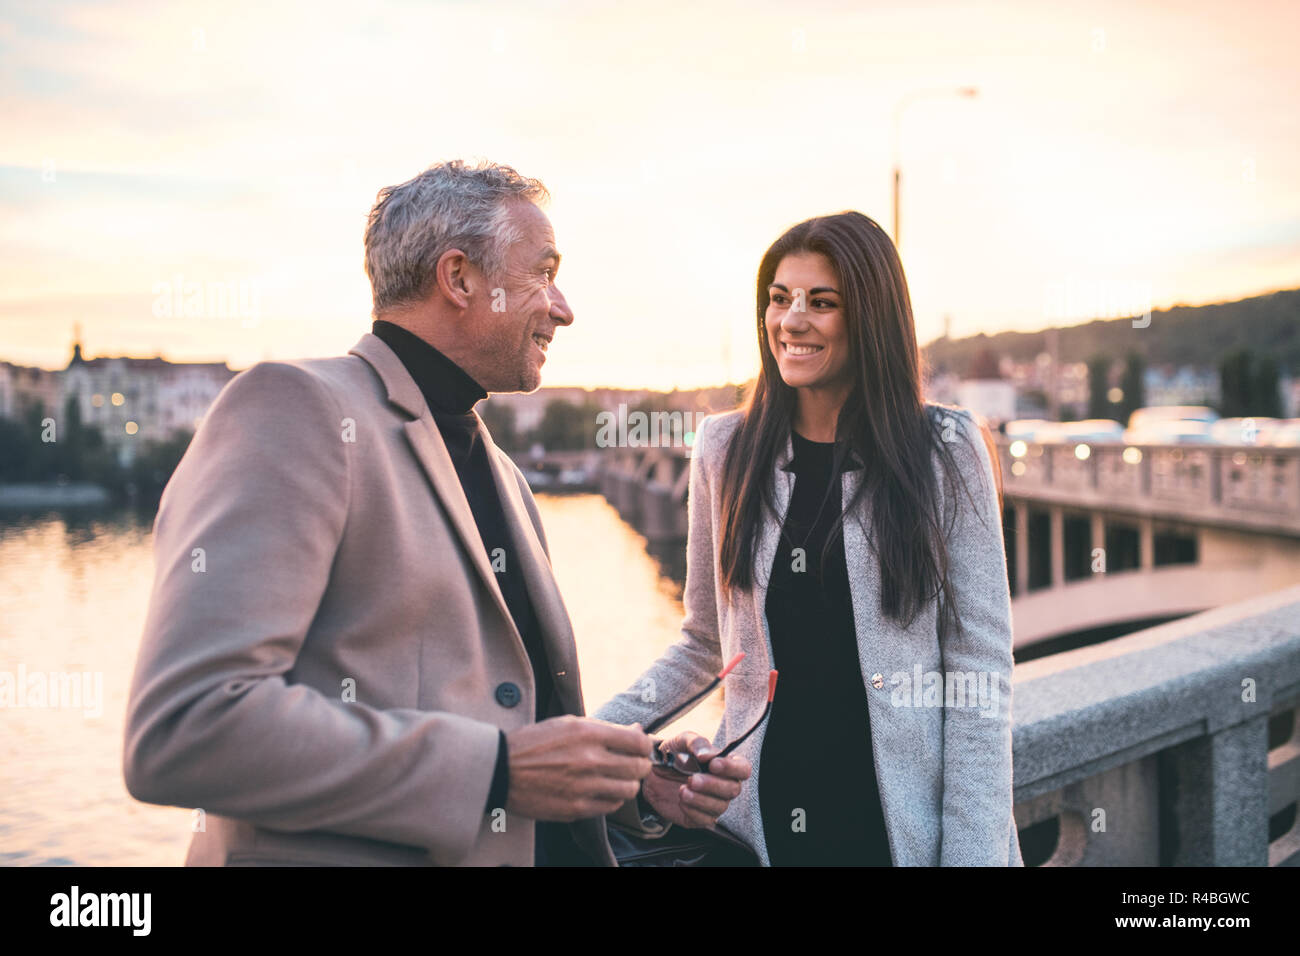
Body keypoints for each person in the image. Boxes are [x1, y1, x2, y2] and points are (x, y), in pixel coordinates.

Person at [122, 159, 748, 866]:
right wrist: (497, 771)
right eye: (543, 273)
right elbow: (186, 728)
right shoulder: (296, 408)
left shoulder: (502, 472)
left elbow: (509, 722)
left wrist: (631, 784)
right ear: (459, 279)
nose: (564, 307)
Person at [596, 211, 1023, 865]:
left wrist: (973, 856)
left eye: (821, 303)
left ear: (870, 320)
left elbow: (977, 671)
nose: (791, 320)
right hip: (755, 832)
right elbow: (706, 644)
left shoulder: (945, 449)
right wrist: (589, 738)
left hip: (891, 836)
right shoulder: (724, 447)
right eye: (778, 299)